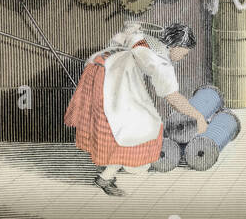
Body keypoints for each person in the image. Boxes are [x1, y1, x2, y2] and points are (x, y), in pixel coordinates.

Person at [64, 21, 209, 196]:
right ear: (177, 46)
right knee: (137, 126)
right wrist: (198, 117)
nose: (183, 57)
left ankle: (111, 166)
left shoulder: (147, 40)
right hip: (109, 78)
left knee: (121, 124)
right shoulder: (161, 62)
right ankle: (106, 177)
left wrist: (131, 30)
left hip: (100, 67)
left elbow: (125, 37)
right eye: (184, 54)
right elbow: (173, 97)